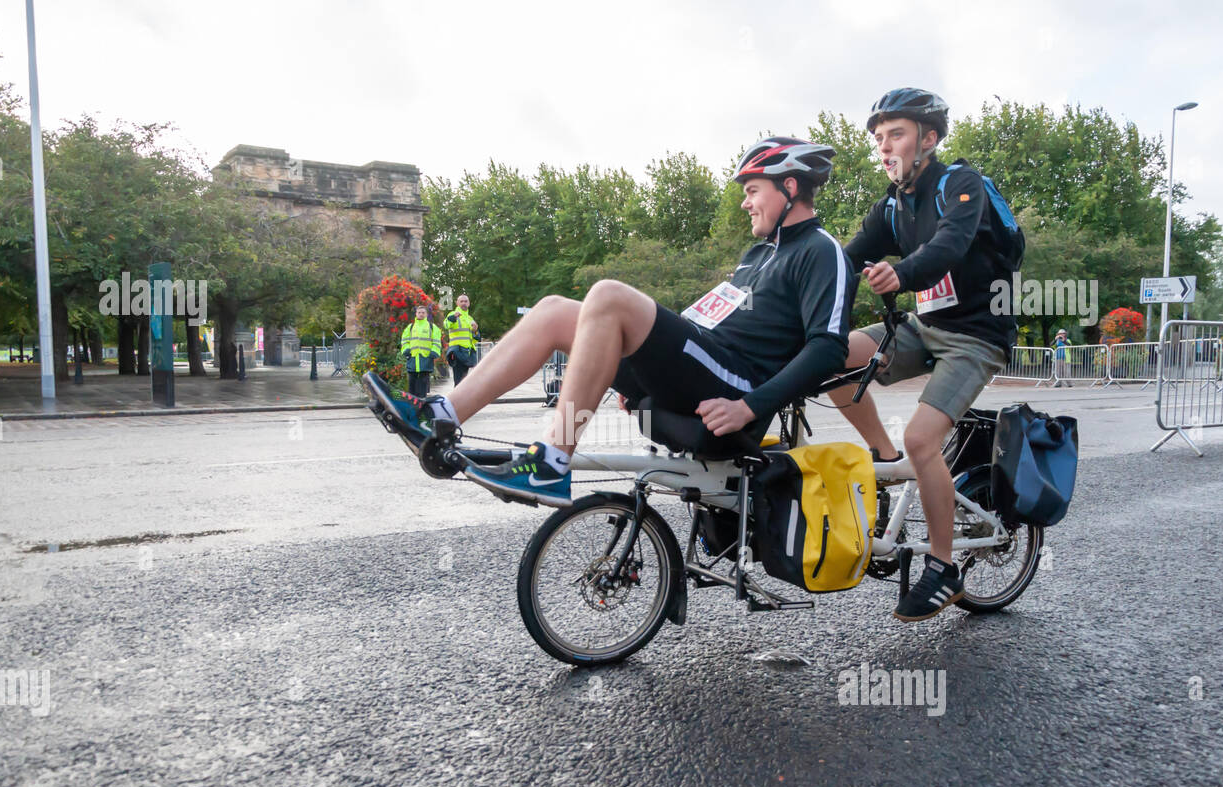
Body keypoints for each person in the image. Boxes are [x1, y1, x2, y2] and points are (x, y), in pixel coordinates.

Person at [373, 136, 855, 508]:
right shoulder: (757, 254)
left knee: (607, 295)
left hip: (734, 386)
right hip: (701, 364)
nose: (746, 203)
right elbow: (704, 321)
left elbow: (828, 348)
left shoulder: (820, 251)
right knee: (556, 310)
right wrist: (628, 362)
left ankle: (551, 462)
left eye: (753, 191)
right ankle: (441, 415)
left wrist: (749, 407)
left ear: (790, 188)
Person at [832, 88, 1022, 623]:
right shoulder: (891, 207)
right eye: (878, 138)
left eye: (896, 134)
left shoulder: (957, 184)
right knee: (832, 358)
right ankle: (886, 463)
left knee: (923, 438)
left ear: (928, 138)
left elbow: (950, 245)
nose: (885, 146)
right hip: (924, 327)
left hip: (976, 337)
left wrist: (904, 272)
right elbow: (844, 263)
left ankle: (944, 568)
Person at [400, 305, 440, 397]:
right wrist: (406, 350)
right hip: (412, 360)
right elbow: (404, 340)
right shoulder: (410, 327)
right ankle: (412, 407)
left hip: (425, 360)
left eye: (423, 313)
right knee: (412, 387)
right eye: (419, 312)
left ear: (426, 314)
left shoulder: (432, 327)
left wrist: (434, 352)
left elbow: (436, 341)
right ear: (416, 314)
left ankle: (421, 405)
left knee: (423, 387)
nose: (421, 314)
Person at [443, 294, 480, 385]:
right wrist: (453, 318)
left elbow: (474, 340)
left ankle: (462, 398)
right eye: (461, 301)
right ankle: (457, 398)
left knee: (464, 379)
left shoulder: (470, 318)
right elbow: (446, 325)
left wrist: (475, 332)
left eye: (466, 301)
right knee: (459, 379)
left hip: (467, 351)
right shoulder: (452, 314)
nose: (464, 303)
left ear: (469, 303)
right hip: (456, 351)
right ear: (457, 303)